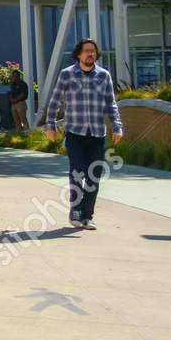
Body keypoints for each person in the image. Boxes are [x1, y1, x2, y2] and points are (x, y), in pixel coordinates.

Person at [44, 38, 124, 228]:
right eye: (87, 51)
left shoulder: (104, 76)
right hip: (75, 134)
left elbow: (111, 104)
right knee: (77, 173)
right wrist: (50, 125)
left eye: (93, 51)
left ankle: (88, 216)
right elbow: (55, 101)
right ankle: (76, 211)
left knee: (94, 177)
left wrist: (117, 126)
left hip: (97, 134)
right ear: (78, 54)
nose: (91, 54)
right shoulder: (67, 74)